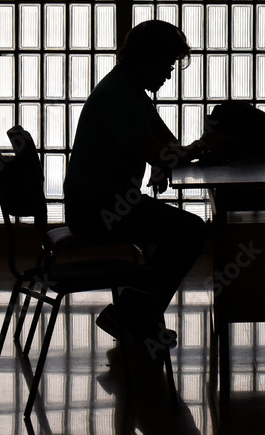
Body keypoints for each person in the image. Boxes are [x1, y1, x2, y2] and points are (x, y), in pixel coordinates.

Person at [63, 20, 214, 348]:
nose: (169, 74)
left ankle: (132, 314)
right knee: (191, 231)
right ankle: (132, 314)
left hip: (101, 202)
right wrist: (199, 147)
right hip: (98, 207)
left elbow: (166, 145)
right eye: (168, 63)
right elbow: (162, 152)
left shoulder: (129, 90)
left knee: (180, 231)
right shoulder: (121, 96)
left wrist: (166, 157)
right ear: (148, 58)